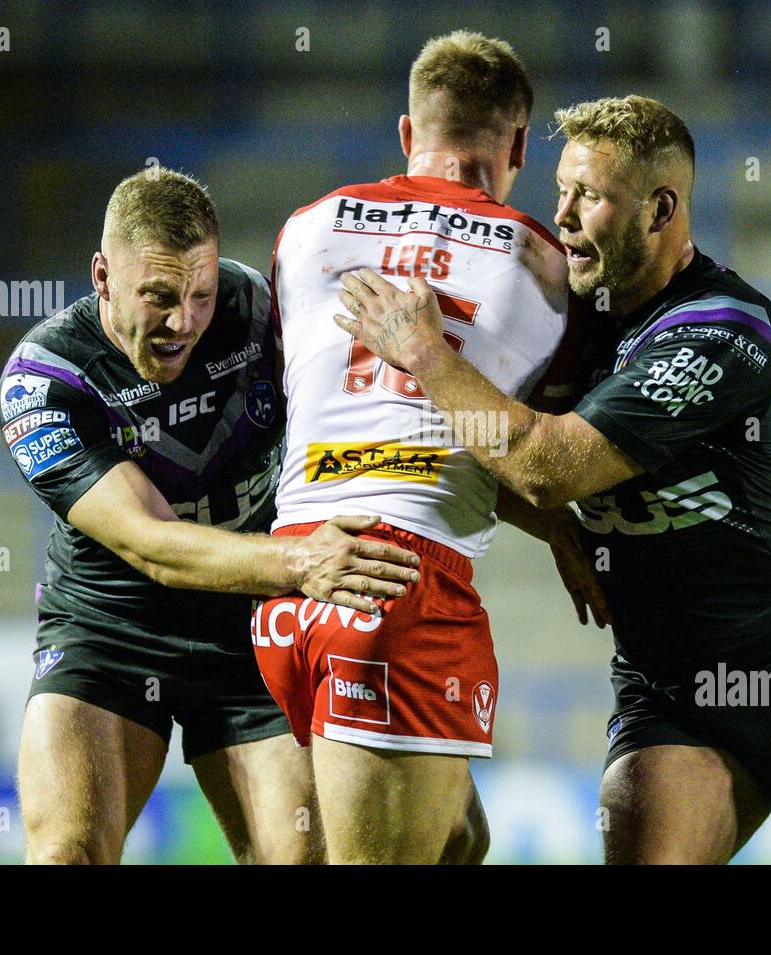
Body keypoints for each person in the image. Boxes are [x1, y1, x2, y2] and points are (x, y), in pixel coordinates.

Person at [335, 95, 771, 864]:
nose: (563, 216)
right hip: (668, 685)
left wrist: (425, 353)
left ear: (661, 209)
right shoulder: (565, 318)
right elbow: (465, 444)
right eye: (562, 190)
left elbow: (546, 465)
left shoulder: (721, 329)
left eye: (590, 196)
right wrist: (554, 526)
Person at [0, 167, 422, 864]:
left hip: (249, 631)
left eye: (200, 294)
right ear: (102, 277)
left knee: (302, 859)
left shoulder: (256, 309)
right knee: (67, 853)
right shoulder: (45, 378)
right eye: (158, 297)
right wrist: (300, 560)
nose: (183, 322)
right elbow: (151, 543)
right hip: (109, 630)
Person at [253, 31, 606, 864]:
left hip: (291, 576)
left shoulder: (305, 230)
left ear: (408, 133)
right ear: (518, 146)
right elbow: (524, 447)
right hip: (402, 585)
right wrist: (563, 522)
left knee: (460, 839)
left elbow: (326, 404)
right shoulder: (548, 264)